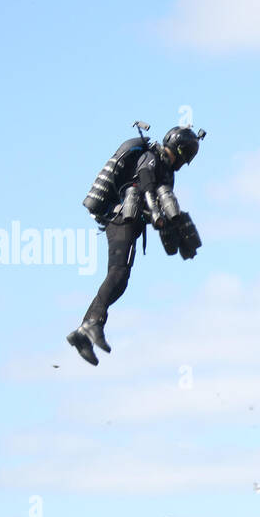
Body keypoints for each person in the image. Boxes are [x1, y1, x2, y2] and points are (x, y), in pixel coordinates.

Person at [67, 126, 203, 365]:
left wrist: (175, 229)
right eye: (188, 155)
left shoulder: (166, 171)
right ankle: (91, 325)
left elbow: (157, 207)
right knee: (119, 273)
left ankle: (84, 331)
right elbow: (147, 188)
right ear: (182, 151)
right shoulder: (152, 159)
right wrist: (158, 215)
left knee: (120, 276)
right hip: (121, 220)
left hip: (126, 222)